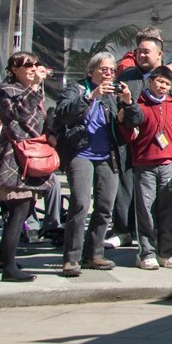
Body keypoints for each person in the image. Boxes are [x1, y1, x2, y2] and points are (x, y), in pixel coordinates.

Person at [53, 53, 125, 274]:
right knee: (80, 203)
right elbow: (62, 114)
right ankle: (71, 258)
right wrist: (90, 96)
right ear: (91, 71)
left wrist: (129, 103)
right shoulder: (77, 89)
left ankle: (94, 254)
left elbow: (132, 122)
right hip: (80, 153)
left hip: (107, 155)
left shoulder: (114, 95)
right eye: (103, 69)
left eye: (112, 70)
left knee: (105, 205)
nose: (108, 74)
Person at [0, 52, 56, 282]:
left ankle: (3, 258)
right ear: (14, 70)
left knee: (24, 210)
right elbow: (20, 115)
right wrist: (35, 87)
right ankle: (9, 268)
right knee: (19, 211)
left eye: (35, 64)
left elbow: (39, 122)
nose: (33, 68)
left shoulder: (34, 92)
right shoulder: (8, 90)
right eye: (27, 65)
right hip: (13, 158)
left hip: (31, 156)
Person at [118, 66, 172, 269]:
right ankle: (146, 254)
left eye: (167, 84)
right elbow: (129, 134)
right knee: (145, 210)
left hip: (169, 164)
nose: (163, 87)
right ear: (149, 82)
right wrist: (124, 120)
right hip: (145, 165)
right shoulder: (138, 105)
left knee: (167, 211)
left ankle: (166, 253)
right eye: (159, 82)